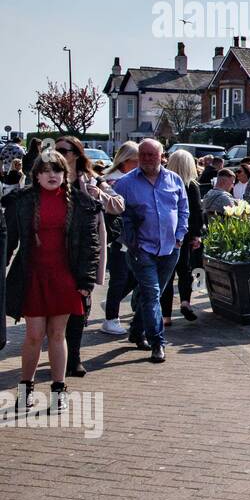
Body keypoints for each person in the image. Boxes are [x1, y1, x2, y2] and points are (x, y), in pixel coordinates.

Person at [4, 150, 100, 412]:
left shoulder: (79, 202)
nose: (52, 175)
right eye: (46, 170)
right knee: (33, 335)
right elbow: (8, 239)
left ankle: (59, 390)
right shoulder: (22, 201)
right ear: (36, 175)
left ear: (64, 173)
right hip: (32, 275)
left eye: (57, 170)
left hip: (64, 277)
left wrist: (86, 279)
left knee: (58, 335)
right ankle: (25, 390)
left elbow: (91, 246)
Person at [114, 139, 188, 363]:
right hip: (141, 249)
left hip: (169, 248)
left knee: (150, 296)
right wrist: (128, 237)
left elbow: (184, 209)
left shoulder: (174, 180)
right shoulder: (126, 183)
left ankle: (136, 331)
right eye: (142, 154)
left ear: (161, 156)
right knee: (152, 294)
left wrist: (179, 237)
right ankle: (157, 342)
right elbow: (116, 215)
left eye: (151, 155)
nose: (146, 159)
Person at [55, 136, 121, 377]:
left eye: (64, 150)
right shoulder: (47, 177)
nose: (59, 153)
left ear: (76, 154)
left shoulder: (92, 179)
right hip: (54, 250)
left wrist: (99, 195)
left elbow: (119, 204)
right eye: (57, 149)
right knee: (56, 307)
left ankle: (74, 357)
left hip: (84, 250)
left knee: (79, 305)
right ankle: (59, 353)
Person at [98, 142, 139, 336]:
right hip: (118, 237)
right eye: (136, 160)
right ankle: (111, 318)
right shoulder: (113, 181)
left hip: (131, 237)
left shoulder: (128, 178)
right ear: (126, 161)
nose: (140, 164)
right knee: (120, 277)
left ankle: (111, 304)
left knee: (132, 277)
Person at [159, 149, 202, 325]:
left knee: (166, 274)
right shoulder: (192, 185)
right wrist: (197, 234)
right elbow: (197, 212)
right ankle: (185, 302)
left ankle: (165, 316)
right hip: (186, 233)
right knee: (185, 270)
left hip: (166, 233)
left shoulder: (164, 183)